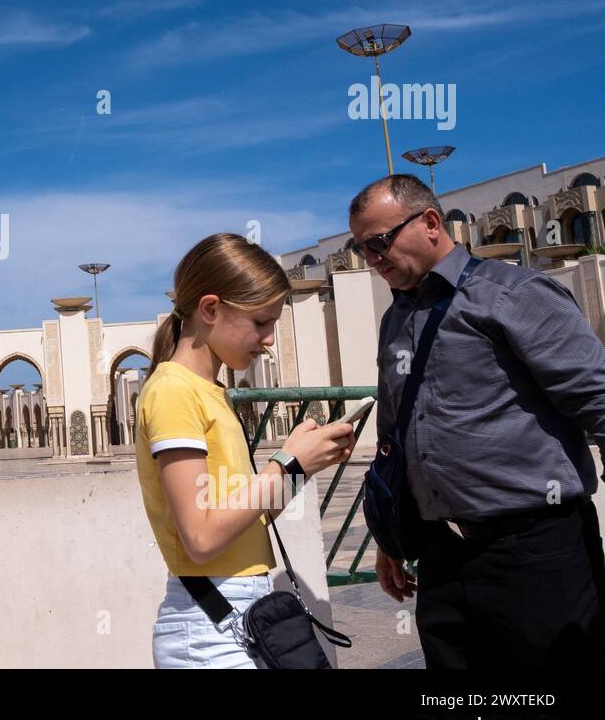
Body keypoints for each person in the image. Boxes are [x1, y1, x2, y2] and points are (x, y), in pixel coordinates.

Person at [349, 174, 605, 668]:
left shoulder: (515, 293)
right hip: (442, 555)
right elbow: (394, 432)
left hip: (536, 550)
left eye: (379, 242)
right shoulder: (395, 319)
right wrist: (390, 536)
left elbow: (596, 397)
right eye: (362, 249)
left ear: (429, 222)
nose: (373, 259)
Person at [137, 232, 356, 668]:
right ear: (211, 309)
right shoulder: (174, 391)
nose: (269, 338)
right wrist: (285, 466)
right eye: (260, 322)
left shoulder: (208, 391)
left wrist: (300, 468)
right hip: (210, 625)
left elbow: (242, 520)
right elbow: (200, 537)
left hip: (236, 616)